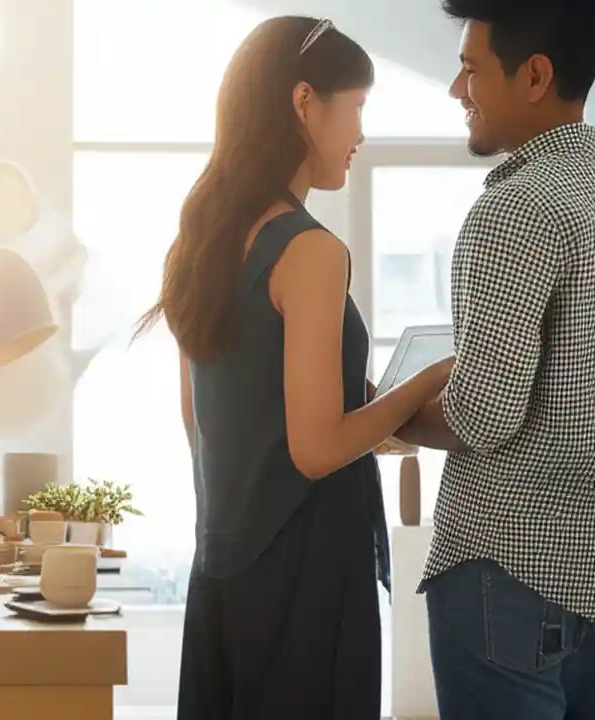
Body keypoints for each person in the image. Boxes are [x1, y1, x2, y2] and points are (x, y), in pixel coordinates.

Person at [135, 16, 452, 719]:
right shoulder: (309, 251)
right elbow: (314, 451)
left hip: (223, 564)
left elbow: (203, 417)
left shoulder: (200, 242)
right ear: (305, 102)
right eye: (359, 108)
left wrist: (365, 413)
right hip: (307, 575)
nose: (361, 135)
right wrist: (424, 383)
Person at [396, 1, 595, 717]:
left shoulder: (515, 209)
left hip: (505, 574)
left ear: (535, 75)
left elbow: (484, 415)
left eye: (471, 68)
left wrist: (388, 415)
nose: (457, 90)